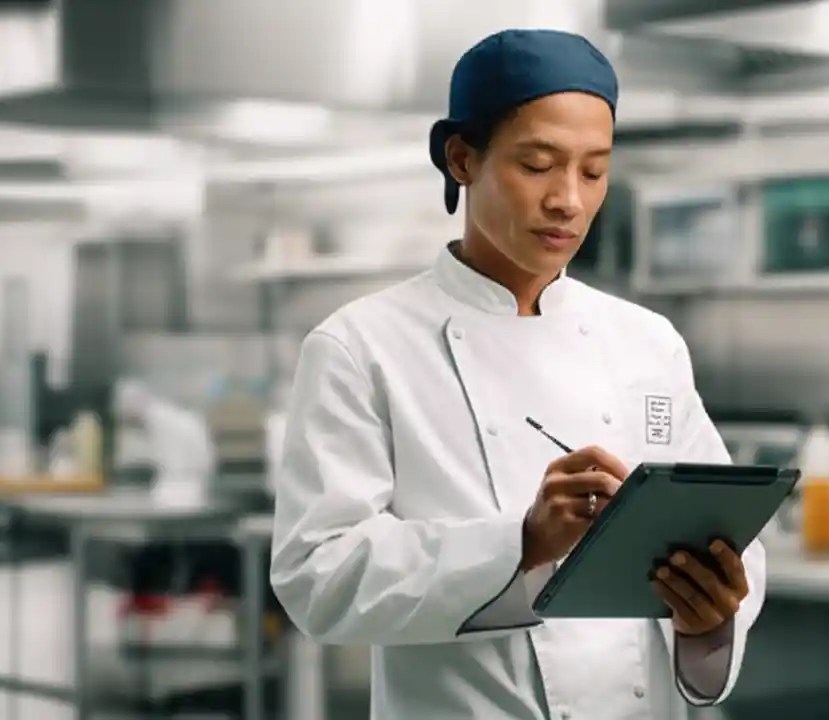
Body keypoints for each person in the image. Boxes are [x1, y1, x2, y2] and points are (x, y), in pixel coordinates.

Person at [269, 28, 766, 720]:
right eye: (537, 165)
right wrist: (521, 542)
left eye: (594, 171)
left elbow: (733, 541)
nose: (568, 199)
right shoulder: (362, 346)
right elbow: (317, 576)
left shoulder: (648, 342)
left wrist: (708, 611)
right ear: (461, 157)